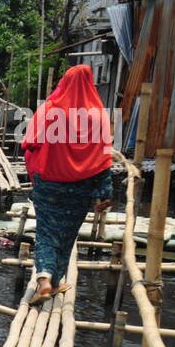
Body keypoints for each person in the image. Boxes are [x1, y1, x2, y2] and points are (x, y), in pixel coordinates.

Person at [21, 64, 114, 306]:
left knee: (46, 233)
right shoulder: (100, 116)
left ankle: (43, 281)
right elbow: (105, 158)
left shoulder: (49, 110)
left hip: (49, 185)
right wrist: (104, 193)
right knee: (66, 235)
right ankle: (54, 282)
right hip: (82, 188)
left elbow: (30, 144)